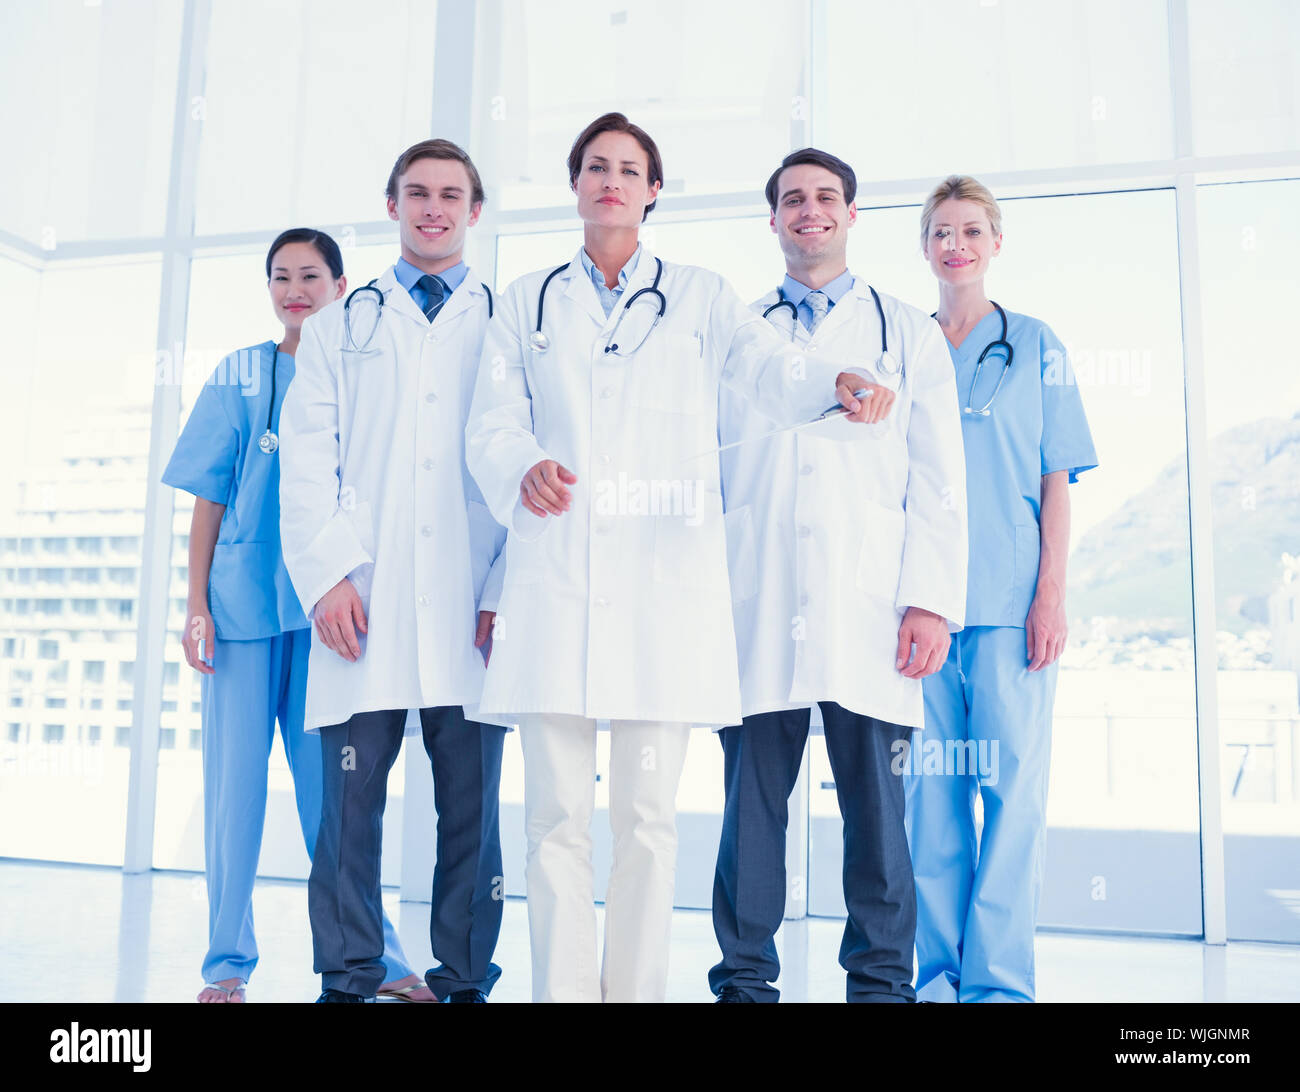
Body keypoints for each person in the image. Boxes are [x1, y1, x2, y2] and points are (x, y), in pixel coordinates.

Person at [465, 113, 892, 1003]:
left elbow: (771, 367)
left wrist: (835, 380)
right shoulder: (527, 300)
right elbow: (490, 421)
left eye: (629, 169)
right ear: (575, 183)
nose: (611, 181)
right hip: (557, 583)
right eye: (596, 167)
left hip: (662, 591)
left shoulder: (699, 296)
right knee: (552, 822)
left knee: (649, 822)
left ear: (653, 190)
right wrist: (520, 464)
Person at [707, 149, 967, 1004]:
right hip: (757, 597)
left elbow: (938, 479)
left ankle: (882, 986)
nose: (808, 210)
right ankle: (745, 982)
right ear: (773, 219)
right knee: (751, 815)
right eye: (791, 199)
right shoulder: (736, 335)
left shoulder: (906, 332)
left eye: (825, 198)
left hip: (869, 606)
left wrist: (929, 600)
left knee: (879, 821)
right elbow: (707, 474)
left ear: (852, 215)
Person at [163, 228, 433, 1004]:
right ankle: (225, 964)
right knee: (235, 795)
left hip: (328, 612)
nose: (294, 289)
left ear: (341, 285)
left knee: (337, 801)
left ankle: (377, 956)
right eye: (280, 276)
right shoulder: (240, 374)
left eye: (310, 275)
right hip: (243, 608)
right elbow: (209, 497)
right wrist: (194, 607)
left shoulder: (360, 371)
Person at [279, 141, 508, 1004]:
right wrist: (330, 575)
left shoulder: (506, 321)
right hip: (360, 599)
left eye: (452, 195)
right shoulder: (342, 322)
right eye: (418, 193)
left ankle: (462, 981)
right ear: (392, 205)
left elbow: (528, 461)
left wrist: (501, 589)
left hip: (469, 599)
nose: (434, 208)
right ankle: (347, 979)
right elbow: (305, 460)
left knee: (472, 817)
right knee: (348, 817)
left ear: (475, 210)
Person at [907, 175, 1098, 1003]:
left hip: (1012, 608)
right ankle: (939, 977)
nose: (957, 244)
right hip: (921, 608)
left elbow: (1058, 478)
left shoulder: (1038, 344)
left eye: (972, 230)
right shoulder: (903, 346)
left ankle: (999, 986)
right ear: (925, 246)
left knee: (1012, 796)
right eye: (942, 231)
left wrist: (1050, 594)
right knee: (931, 801)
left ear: (995, 243)